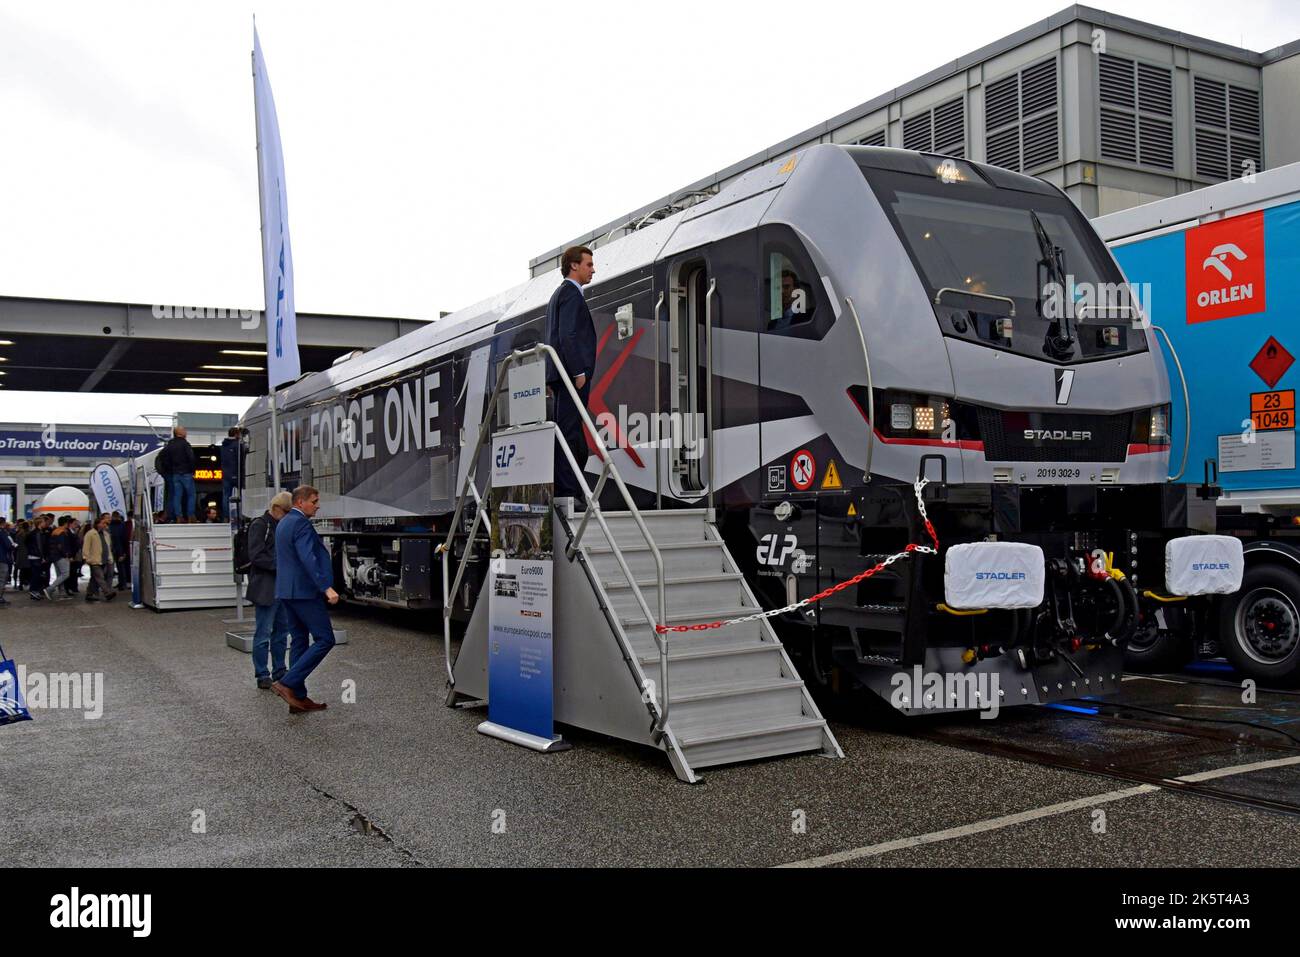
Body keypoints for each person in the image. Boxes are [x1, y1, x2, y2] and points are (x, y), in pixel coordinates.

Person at [270, 486, 339, 714]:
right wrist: (326, 587)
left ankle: (297, 698)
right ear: (300, 502)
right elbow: (307, 557)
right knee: (325, 639)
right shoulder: (301, 523)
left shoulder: (284, 522)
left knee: (299, 639)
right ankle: (288, 683)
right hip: (304, 592)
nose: (317, 505)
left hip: (287, 591)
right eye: (314, 501)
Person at [544, 244, 598, 501]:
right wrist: (578, 371)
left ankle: (572, 487)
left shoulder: (558, 295)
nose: (593, 270)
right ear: (574, 265)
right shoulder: (571, 295)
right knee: (569, 433)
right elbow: (567, 335)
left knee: (572, 433)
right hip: (570, 376)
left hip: (561, 376)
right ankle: (567, 490)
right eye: (589, 264)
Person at [247, 492, 293, 690]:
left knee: (281, 631)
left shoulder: (280, 525)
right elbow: (256, 555)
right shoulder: (260, 525)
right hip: (266, 586)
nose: (288, 515)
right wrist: (281, 565)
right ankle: (262, 673)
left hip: (281, 587)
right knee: (264, 632)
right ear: (276, 508)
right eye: (286, 511)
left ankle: (279, 669)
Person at [161, 426, 197, 523]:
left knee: (177, 496)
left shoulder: (170, 445)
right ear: (179, 433)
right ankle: (190, 516)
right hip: (186, 473)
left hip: (175, 474)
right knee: (191, 495)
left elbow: (165, 459)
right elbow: (191, 458)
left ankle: (178, 517)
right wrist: (193, 471)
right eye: (184, 430)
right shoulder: (185, 444)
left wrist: (171, 470)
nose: (186, 432)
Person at [82, 513, 117, 602]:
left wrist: (110, 558)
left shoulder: (105, 534)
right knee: (100, 577)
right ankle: (107, 592)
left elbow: (108, 546)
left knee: (94, 578)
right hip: (94, 560)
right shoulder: (90, 534)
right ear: (98, 524)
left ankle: (89, 594)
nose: (104, 525)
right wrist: (86, 557)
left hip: (104, 559)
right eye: (102, 523)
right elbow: (86, 546)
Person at [47, 516, 75, 599]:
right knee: (65, 574)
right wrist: (67, 555)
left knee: (60, 574)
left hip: (54, 556)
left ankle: (62, 593)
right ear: (66, 523)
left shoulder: (55, 531)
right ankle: (50, 589)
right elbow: (62, 546)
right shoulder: (62, 532)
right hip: (61, 556)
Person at [219, 427, 242, 520]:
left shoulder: (223, 445)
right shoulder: (237, 445)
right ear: (236, 434)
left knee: (226, 496)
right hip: (236, 473)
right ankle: (240, 515)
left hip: (226, 474)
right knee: (241, 495)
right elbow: (240, 460)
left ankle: (226, 516)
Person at [27, 515, 51, 600]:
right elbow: (39, 546)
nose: (45, 523)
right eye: (44, 522)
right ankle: (33, 591)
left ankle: (34, 591)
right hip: (36, 557)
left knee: (36, 574)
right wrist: (43, 557)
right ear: (40, 523)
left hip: (34, 556)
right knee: (36, 575)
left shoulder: (35, 532)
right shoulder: (38, 533)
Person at [109, 512, 128, 590]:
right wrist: (124, 552)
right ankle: (122, 584)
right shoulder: (122, 525)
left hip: (112, 549)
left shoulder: (110, 526)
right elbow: (124, 539)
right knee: (121, 568)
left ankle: (117, 584)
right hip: (119, 549)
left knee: (110, 568)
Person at [0, 518, 15, 607]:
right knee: (2, 578)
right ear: (3, 523)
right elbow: (8, 545)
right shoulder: (2, 532)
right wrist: (13, 546)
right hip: (2, 558)